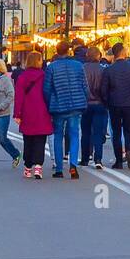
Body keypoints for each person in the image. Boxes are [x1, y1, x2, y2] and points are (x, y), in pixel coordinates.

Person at [42, 39, 89, 179]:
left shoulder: (51, 67)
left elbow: (46, 89)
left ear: (56, 51)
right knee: (74, 134)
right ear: (68, 51)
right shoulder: (78, 65)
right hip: (76, 105)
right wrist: (84, 99)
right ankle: (73, 164)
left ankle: (59, 168)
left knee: (58, 135)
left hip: (58, 106)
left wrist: (49, 104)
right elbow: (85, 86)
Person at [102, 41, 130, 170]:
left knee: (116, 132)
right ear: (123, 52)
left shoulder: (109, 70)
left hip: (114, 104)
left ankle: (119, 161)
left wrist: (107, 102)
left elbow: (104, 90)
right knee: (129, 130)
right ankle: (129, 149)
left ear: (114, 54)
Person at [80, 45, 109, 169]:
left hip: (85, 104)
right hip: (99, 103)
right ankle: (98, 159)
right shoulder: (103, 69)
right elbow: (105, 88)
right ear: (98, 56)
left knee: (85, 132)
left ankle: (85, 158)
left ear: (87, 56)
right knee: (98, 132)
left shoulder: (82, 68)